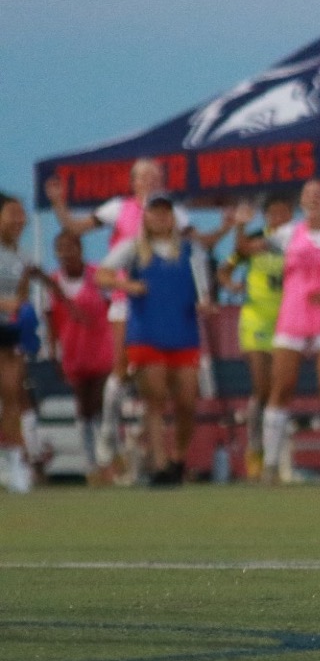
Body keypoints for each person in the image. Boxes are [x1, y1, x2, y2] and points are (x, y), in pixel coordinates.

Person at [96, 197, 216, 486]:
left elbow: (203, 289)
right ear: (146, 218)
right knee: (155, 398)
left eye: (166, 213)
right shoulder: (133, 249)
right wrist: (128, 285)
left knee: (187, 401)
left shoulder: (189, 251)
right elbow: (102, 275)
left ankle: (178, 457)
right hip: (147, 333)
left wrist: (205, 304)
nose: (161, 218)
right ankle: (160, 464)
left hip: (183, 333)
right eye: (155, 213)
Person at [262, 178, 320, 483]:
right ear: (301, 203)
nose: (314, 199)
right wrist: (238, 229)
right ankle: (270, 464)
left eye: (319, 194)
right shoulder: (287, 235)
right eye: (308, 195)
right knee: (282, 386)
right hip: (294, 316)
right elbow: (249, 248)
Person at [221, 193, 293, 478]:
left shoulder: (297, 239)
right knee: (262, 387)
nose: (279, 218)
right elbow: (227, 267)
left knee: (280, 389)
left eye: (284, 212)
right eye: (274, 213)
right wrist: (232, 285)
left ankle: (277, 451)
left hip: (287, 320)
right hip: (256, 319)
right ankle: (255, 447)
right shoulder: (255, 238)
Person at [39, 230, 116, 475]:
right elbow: (50, 323)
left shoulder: (98, 276)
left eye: (71, 246)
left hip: (102, 348)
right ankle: (91, 460)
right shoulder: (51, 284)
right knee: (84, 406)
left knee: (103, 401)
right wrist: (53, 354)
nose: (66, 253)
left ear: (81, 249)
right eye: (61, 248)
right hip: (73, 352)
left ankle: (110, 456)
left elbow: (113, 311)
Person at [0, 194, 31, 493]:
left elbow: (22, 297)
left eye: (22, 214)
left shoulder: (22, 256)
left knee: (12, 396)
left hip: (9, 334)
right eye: (12, 213)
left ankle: (15, 463)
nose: (19, 220)